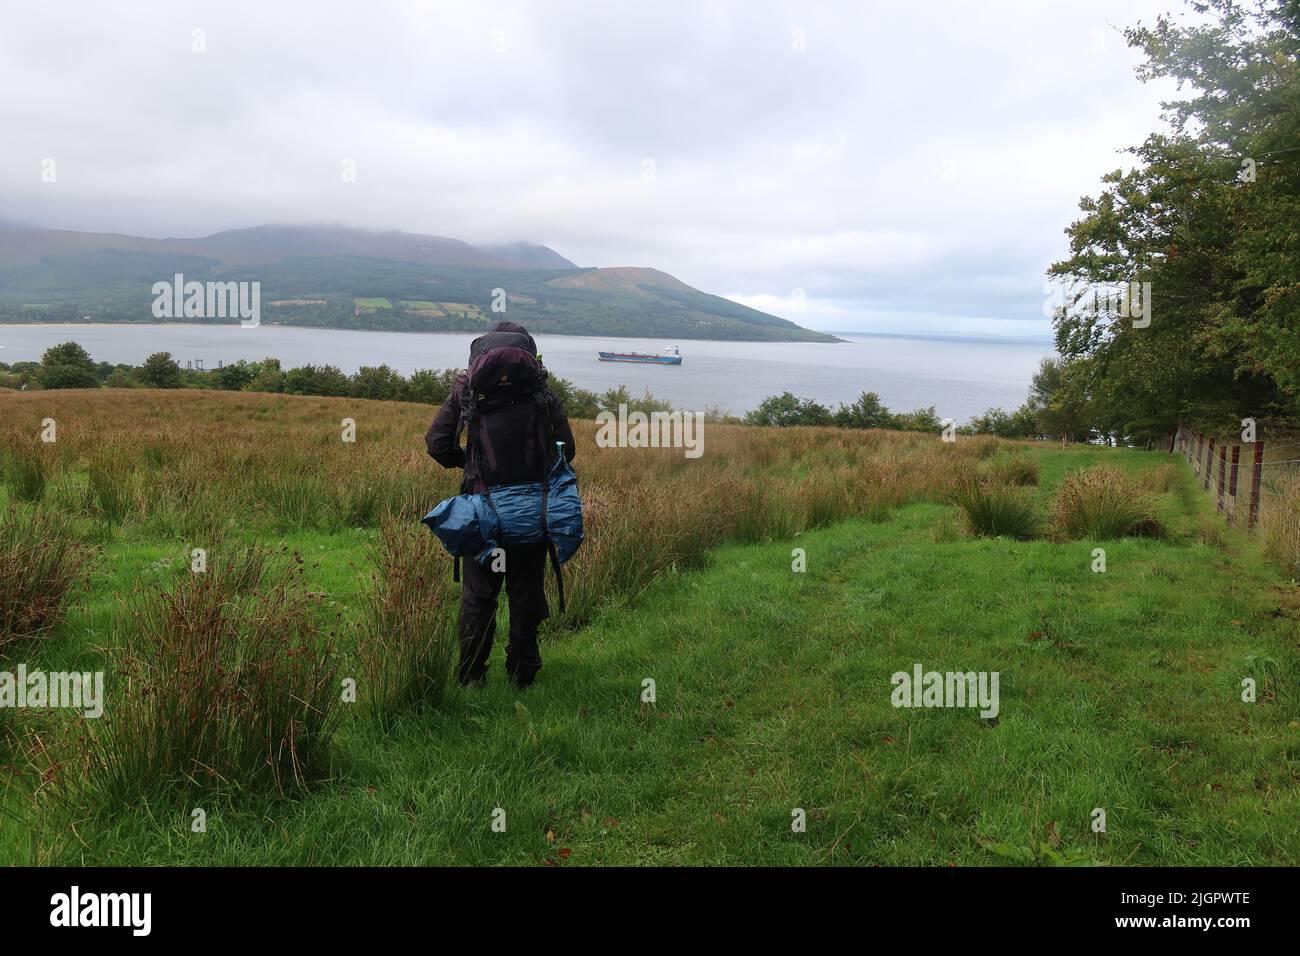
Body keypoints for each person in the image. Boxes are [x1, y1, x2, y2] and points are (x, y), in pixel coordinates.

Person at [425, 321, 576, 689]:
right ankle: (522, 675)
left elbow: (437, 443)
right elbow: (566, 451)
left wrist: (468, 463)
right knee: (525, 592)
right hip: (530, 518)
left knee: (479, 598)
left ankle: (472, 677)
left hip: (484, 514)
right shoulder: (540, 390)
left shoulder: (467, 388)